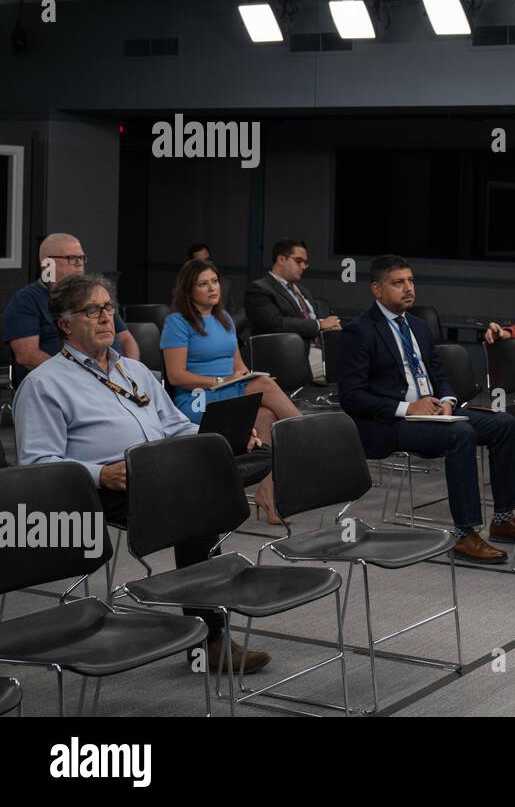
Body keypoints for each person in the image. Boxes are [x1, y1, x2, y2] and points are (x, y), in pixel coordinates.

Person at [13, 273, 274, 674]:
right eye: (92, 310)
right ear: (65, 324)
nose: (105, 318)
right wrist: (101, 474)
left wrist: (220, 439)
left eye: (108, 308)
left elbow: (175, 427)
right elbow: (36, 464)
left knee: (224, 473)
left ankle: (208, 622)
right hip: (99, 490)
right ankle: (212, 637)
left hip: (160, 472)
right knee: (199, 505)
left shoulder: (133, 369)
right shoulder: (44, 385)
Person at [337, 254, 515, 564]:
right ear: (377, 290)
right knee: (460, 435)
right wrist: (408, 408)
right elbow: (351, 397)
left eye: (410, 281)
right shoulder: (360, 331)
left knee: (502, 423)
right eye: (398, 283)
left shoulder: (419, 327)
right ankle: (465, 535)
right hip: (389, 424)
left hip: (434, 415)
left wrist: (448, 402)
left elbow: (439, 376)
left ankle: (504, 519)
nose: (408, 288)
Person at [161, 258, 299, 522]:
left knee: (267, 416)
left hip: (227, 389)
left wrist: (244, 376)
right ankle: (305, 435)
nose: (213, 288)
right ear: (188, 290)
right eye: (203, 284)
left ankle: (268, 495)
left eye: (214, 281)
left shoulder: (224, 319)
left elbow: (239, 366)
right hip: (197, 398)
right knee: (263, 385)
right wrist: (218, 381)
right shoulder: (176, 322)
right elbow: (177, 376)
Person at [4, 232, 139, 384]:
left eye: (81, 258)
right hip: (60, 383)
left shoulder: (95, 295)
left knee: (153, 387)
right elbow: (27, 355)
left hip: (116, 376)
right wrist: (78, 377)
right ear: (48, 264)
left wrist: (129, 373)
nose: (79, 263)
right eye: (71, 258)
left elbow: (127, 340)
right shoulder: (26, 300)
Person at [244, 238, 342, 385]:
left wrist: (332, 329)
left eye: (305, 262)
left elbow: (314, 319)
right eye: (298, 261)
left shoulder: (303, 290)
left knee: (363, 360)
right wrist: (320, 325)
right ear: (281, 259)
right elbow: (277, 324)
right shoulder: (259, 289)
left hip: (320, 350)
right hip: (290, 356)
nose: (303, 266)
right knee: (353, 369)